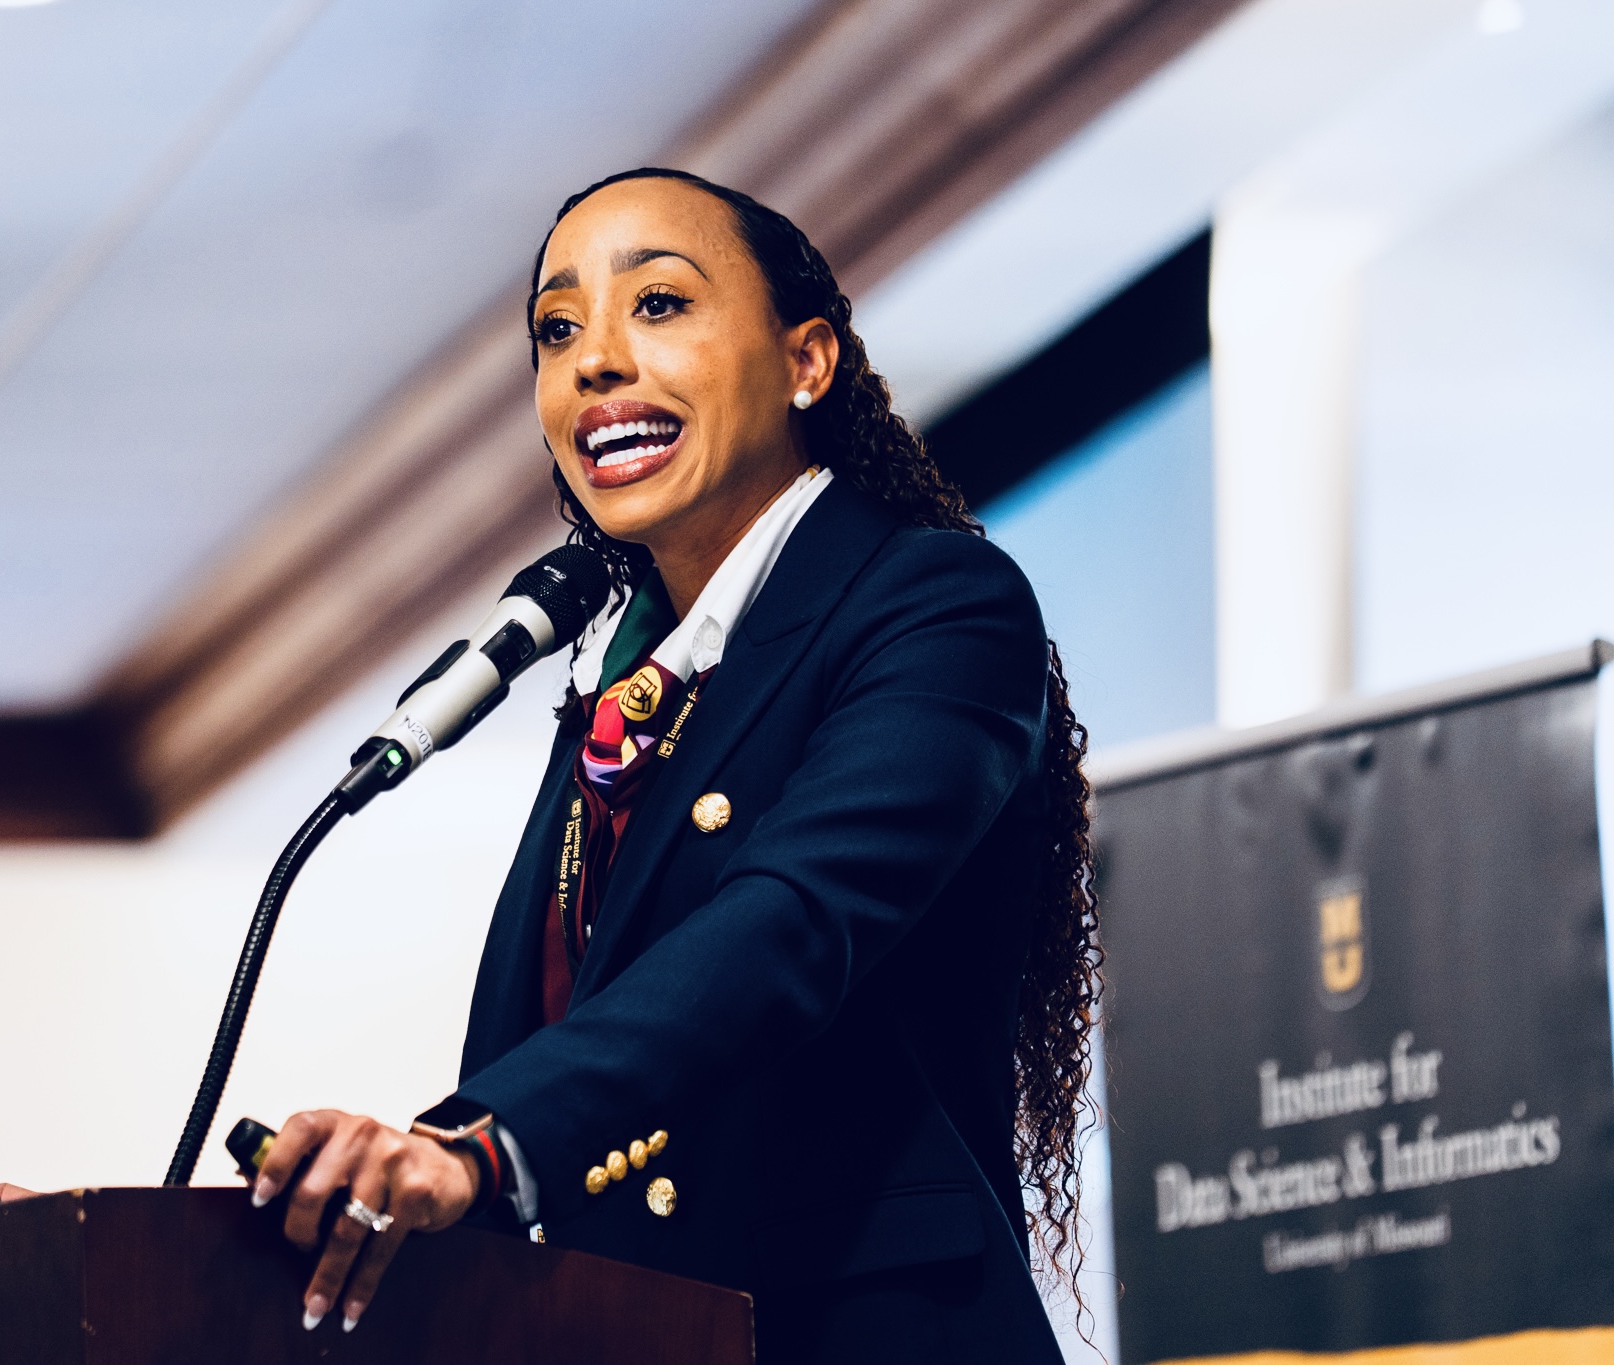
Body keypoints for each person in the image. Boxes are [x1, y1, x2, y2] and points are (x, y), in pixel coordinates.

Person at [246, 167, 1099, 1363]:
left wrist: (474, 1146)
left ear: (809, 362)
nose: (593, 359)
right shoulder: (624, 693)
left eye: (656, 304)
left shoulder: (934, 605)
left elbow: (789, 926)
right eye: (556, 328)